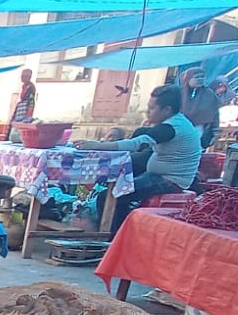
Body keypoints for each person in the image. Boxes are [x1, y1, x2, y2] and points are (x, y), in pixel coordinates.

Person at [74, 84, 202, 236]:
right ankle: (120, 233)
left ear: (167, 110)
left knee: (110, 196)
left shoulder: (173, 127)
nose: (147, 111)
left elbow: (136, 144)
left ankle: (112, 239)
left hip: (169, 180)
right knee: (115, 187)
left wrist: (98, 145)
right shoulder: (175, 122)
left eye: (152, 108)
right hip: (158, 175)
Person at [181, 67, 222, 147]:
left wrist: (216, 132)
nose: (200, 79)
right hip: (179, 130)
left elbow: (215, 114)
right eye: (197, 77)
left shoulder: (209, 94)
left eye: (202, 77)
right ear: (188, 79)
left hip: (200, 131)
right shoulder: (179, 93)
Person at [7, 68, 37, 142]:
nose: (22, 78)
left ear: (29, 77)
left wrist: (27, 118)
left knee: (18, 134)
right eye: (22, 76)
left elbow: (31, 104)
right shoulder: (24, 87)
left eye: (25, 76)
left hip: (24, 115)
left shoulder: (31, 88)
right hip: (19, 112)